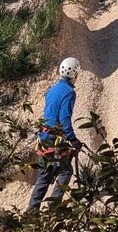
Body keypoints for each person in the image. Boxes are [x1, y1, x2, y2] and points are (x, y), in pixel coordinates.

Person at [27, 57, 84, 212]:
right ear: (75, 74)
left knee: (44, 175)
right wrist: (72, 139)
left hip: (43, 137)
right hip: (55, 138)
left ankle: (32, 211)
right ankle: (54, 208)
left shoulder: (51, 90)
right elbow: (64, 118)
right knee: (65, 171)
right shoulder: (69, 92)